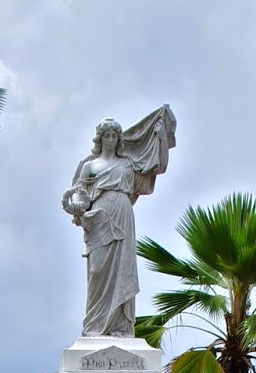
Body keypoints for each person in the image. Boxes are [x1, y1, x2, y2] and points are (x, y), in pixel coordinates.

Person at [62, 105, 176, 337]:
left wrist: (161, 138)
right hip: (99, 218)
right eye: (107, 136)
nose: (111, 140)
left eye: (114, 135)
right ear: (100, 138)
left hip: (123, 215)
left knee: (122, 270)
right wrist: (77, 207)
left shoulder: (127, 165)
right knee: (97, 270)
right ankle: (95, 327)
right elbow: (78, 192)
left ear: (119, 138)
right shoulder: (90, 166)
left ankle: (120, 327)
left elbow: (157, 166)